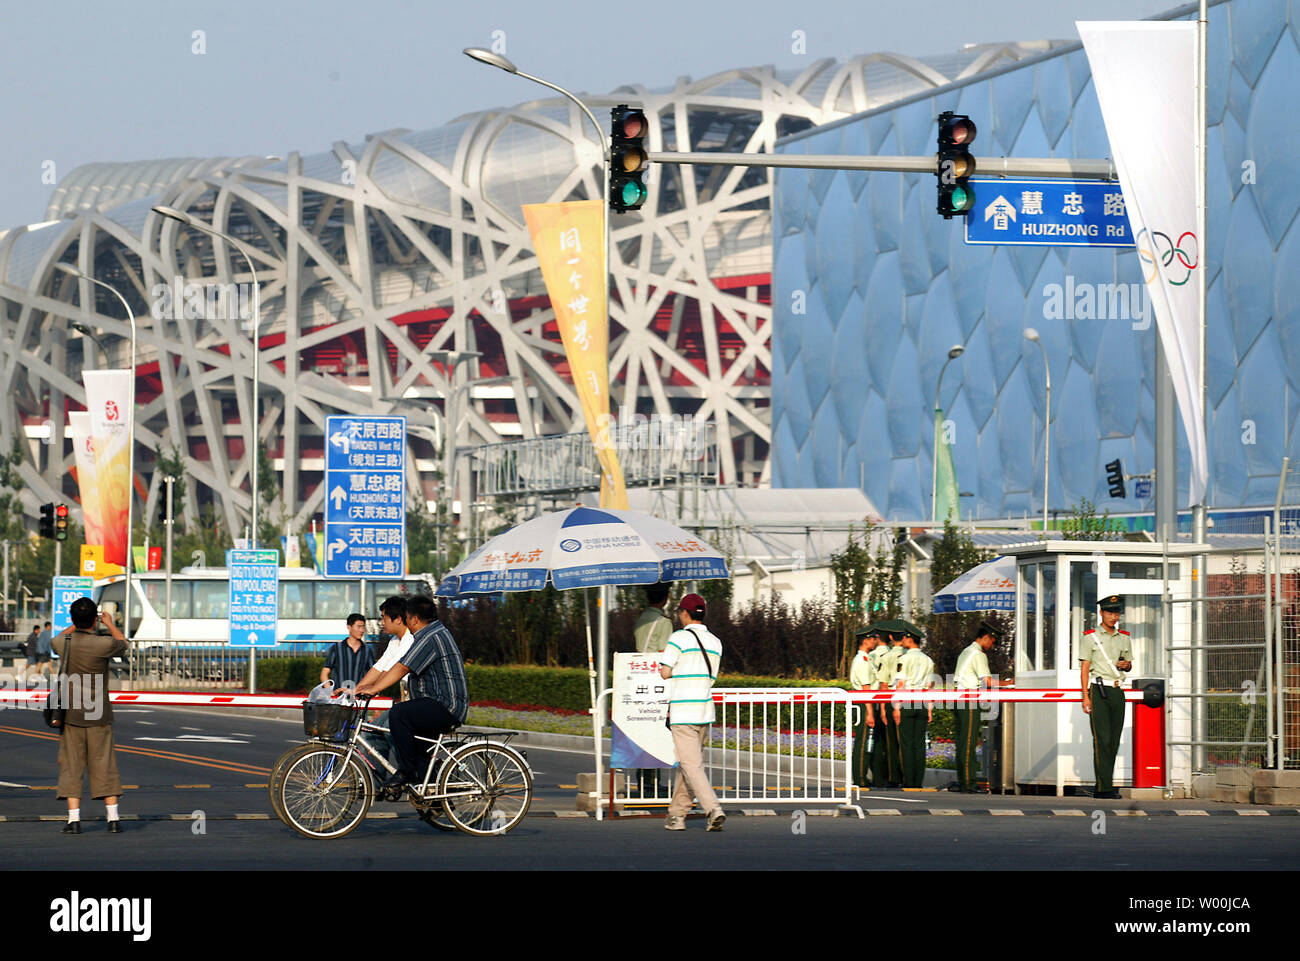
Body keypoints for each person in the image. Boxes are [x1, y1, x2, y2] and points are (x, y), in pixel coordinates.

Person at [355, 594, 468, 795]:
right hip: (435, 703)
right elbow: (384, 667)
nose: (406, 622)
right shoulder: (430, 634)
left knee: (398, 714)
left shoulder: (430, 637)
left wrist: (374, 689)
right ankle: (434, 799)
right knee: (419, 751)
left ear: (414, 619)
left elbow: (401, 668)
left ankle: (406, 772)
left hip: (446, 706)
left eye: (407, 617)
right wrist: (360, 689)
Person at [51, 598, 127, 834]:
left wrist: (76, 624)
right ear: (95, 619)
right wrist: (110, 623)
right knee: (104, 763)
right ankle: (112, 819)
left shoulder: (65, 643)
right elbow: (123, 644)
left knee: (72, 766)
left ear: (73, 619)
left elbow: (55, 641)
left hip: (71, 714)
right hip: (99, 713)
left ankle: (73, 820)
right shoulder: (102, 644)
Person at [659, 592, 725, 832]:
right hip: (704, 712)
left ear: (685, 614)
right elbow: (712, 678)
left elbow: (665, 672)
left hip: (683, 712)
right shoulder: (716, 642)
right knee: (689, 765)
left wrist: (677, 671)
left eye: (680, 612)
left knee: (692, 766)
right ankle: (676, 816)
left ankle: (713, 809)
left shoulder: (678, 638)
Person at [353, 596, 414, 787]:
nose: (382, 623)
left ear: (397, 619)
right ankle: (376, 786)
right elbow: (380, 667)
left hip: (416, 702)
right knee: (371, 732)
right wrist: (355, 689)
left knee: (391, 729)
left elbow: (393, 670)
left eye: (384, 618)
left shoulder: (410, 640)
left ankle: (408, 772)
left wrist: (373, 689)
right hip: (404, 702)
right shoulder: (396, 640)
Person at [1080, 595, 1133, 799]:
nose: (1113, 616)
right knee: (1102, 739)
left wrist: (1126, 665)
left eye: (1116, 612)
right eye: (1109, 612)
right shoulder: (1090, 637)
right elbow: (1085, 668)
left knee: (1113, 740)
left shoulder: (1124, 637)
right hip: (1098, 690)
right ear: (1101, 613)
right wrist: (1085, 696)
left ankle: (1106, 783)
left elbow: (1128, 663)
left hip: (1117, 691)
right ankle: (1103, 788)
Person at [631, 583, 674, 798]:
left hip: (639, 681)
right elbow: (664, 655)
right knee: (657, 731)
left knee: (644, 731)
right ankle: (652, 783)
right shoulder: (663, 622)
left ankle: (643, 780)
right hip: (657, 683)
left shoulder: (641, 619)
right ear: (665, 597)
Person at [949, 621, 1003, 794]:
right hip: (969, 700)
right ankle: (968, 782)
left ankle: (963, 779)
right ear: (986, 638)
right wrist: (1008, 683)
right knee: (969, 743)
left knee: (962, 741)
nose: (992, 646)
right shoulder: (978, 654)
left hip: (958, 698)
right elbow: (987, 681)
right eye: (992, 642)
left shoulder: (967, 651)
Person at [893, 622, 935, 790]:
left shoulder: (903, 659)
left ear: (910, 640)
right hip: (923, 703)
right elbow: (930, 685)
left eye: (904, 637)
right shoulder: (928, 660)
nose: (902, 640)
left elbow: (900, 684)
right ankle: (918, 781)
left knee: (907, 744)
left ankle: (909, 781)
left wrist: (896, 707)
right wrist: (930, 708)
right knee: (919, 744)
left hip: (907, 703)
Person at [875, 625, 907, 788]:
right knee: (906, 742)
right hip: (908, 700)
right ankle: (906, 777)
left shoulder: (886, 657)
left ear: (891, 638)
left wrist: (882, 709)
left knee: (891, 742)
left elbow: (884, 684)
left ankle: (893, 777)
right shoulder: (909, 655)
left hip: (890, 700)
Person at [848, 626, 879, 790]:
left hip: (865, 701)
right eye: (873, 638)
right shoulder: (861, 661)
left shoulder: (866, 659)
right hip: (863, 702)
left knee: (867, 741)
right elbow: (866, 688)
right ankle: (859, 778)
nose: (875, 641)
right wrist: (869, 712)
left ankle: (862, 776)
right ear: (866, 640)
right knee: (862, 742)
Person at [321, 613, 376, 690]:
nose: (362, 630)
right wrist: (330, 691)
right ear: (349, 627)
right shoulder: (336, 648)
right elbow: (324, 673)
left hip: (359, 698)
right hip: (339, 697)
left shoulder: (367, 650)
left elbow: (373, 674)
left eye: (363, 627)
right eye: (359, 627)